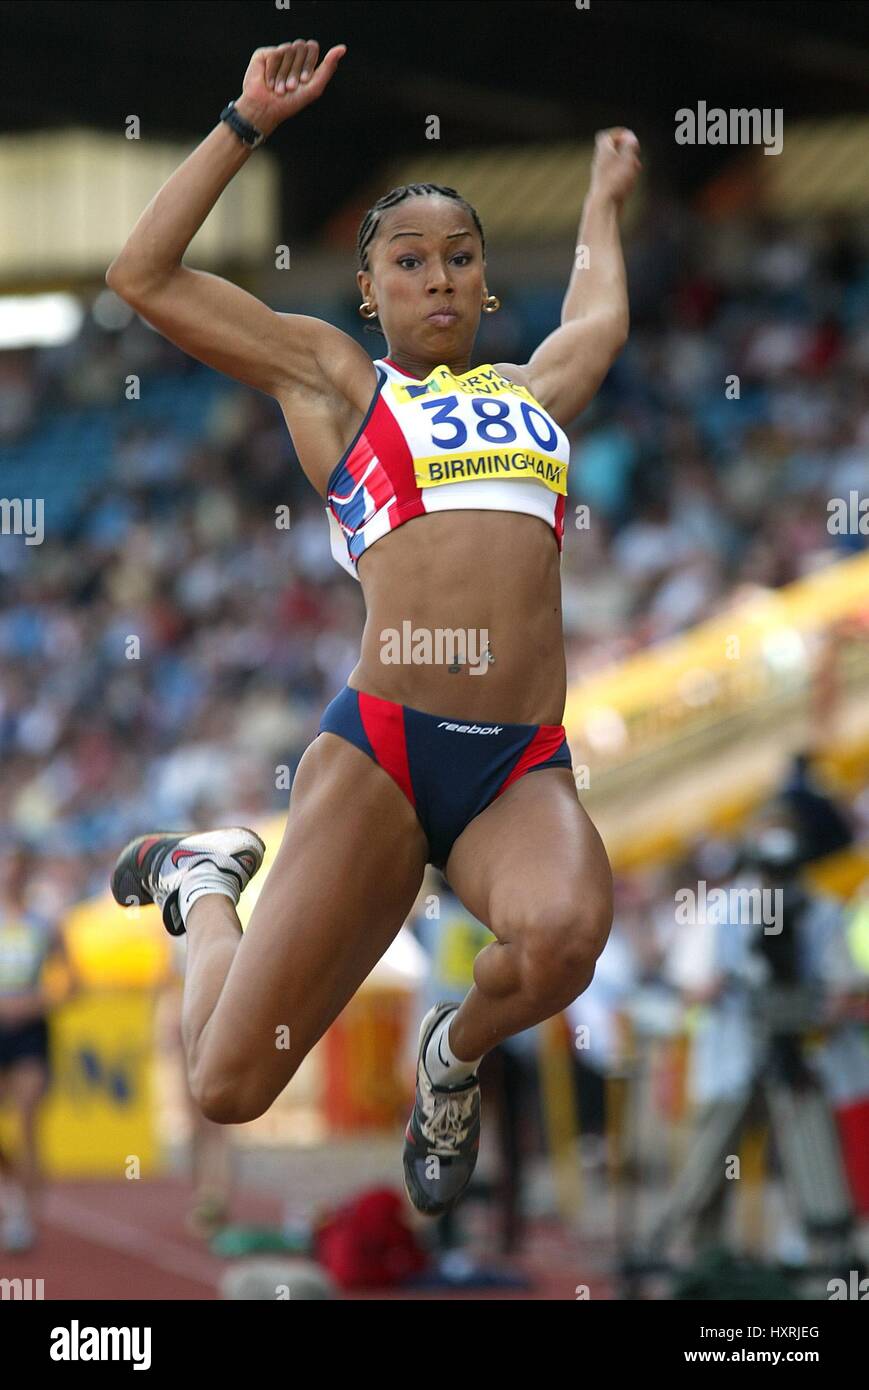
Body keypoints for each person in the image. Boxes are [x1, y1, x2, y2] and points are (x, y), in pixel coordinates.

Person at [106, 39, 639, 1216]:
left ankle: (450, 1057)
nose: (439, 279)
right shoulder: (341, 383)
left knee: (563, 939)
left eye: (460, 259)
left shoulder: (529, 397)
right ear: (371, 291)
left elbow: (597, 316)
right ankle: (201, 883)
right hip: (386, 751)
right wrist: (243, 124)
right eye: (410, 261)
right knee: (230, 1083)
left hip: (514, 766)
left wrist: (602, 195)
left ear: (487, 285)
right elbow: (142, 273)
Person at [0, 848, 76, 1251]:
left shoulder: (43, 924)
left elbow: (72, 982)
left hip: (30, 1033)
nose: (9, 874)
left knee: (28, 1121)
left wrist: (35, 1003)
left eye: (16, 867)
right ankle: (10, 1200)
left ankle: (26, 1217)